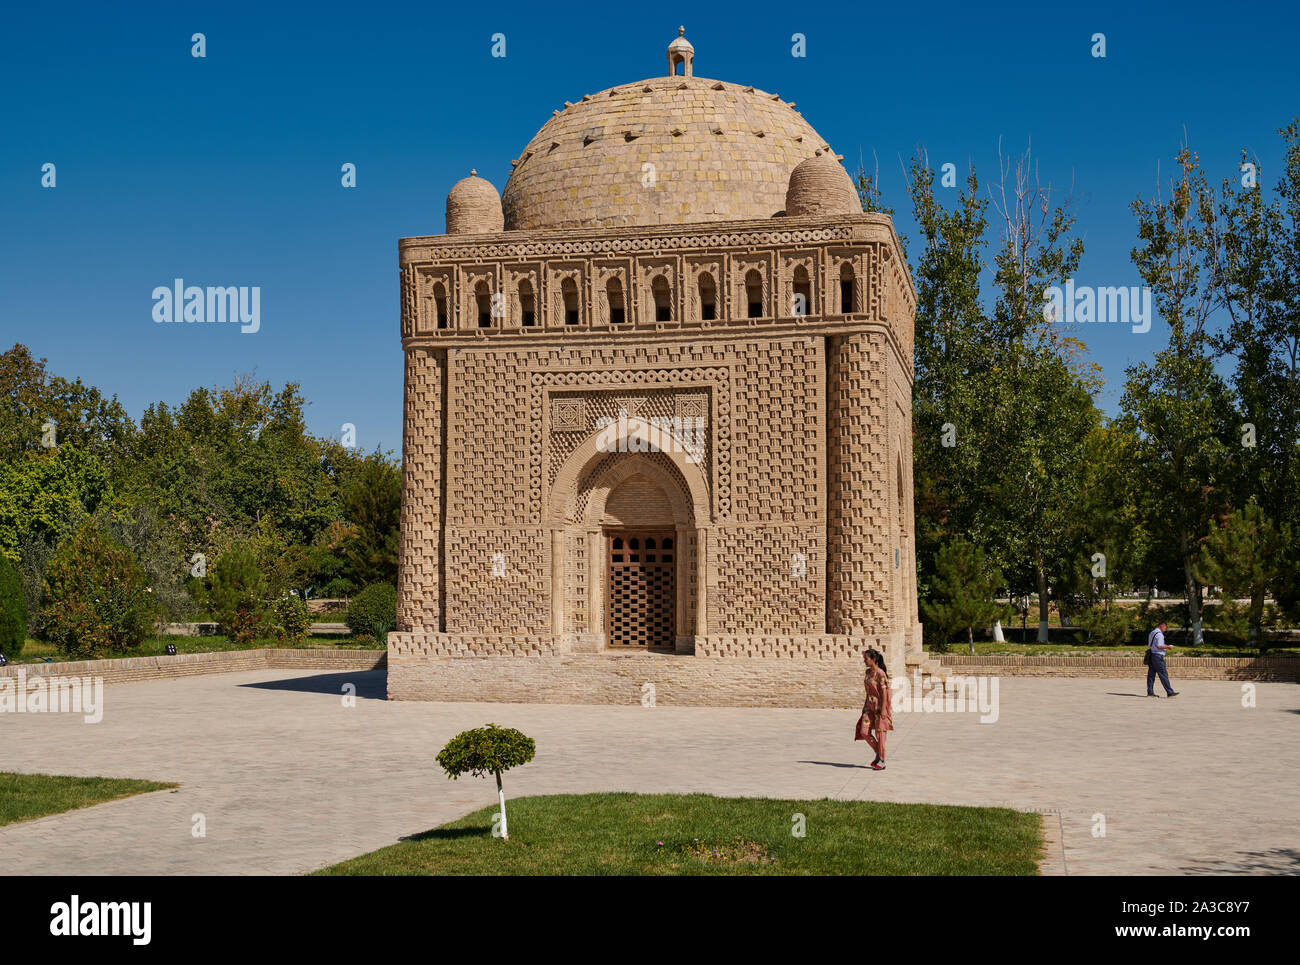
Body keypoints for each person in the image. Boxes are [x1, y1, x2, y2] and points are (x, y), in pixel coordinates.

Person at [856, 648, 893, 769]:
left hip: (879, 706)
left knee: (880, 733)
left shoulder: (880, 674)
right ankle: (878, 752)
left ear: (874, 659)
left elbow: (884, 692)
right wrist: (864, 706)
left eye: (866, 659)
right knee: (864, 731)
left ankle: (882, 761)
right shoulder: (867, 673)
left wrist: (884, 709)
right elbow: (868, 691)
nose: (864, 661)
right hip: (869, 705)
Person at [1146, 621, 1179, 698]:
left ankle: (1150, 692)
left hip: (1151, 655)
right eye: (1165, 627)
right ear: (1162, 626)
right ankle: (1170, 692)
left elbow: (1150, 644)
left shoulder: (1152, 633)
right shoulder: (1159, 634)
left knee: (1151, 675)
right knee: (1163, 674)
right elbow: (1159, 646)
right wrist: (1168, 647)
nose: (1165, 629)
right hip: (1158, 656)